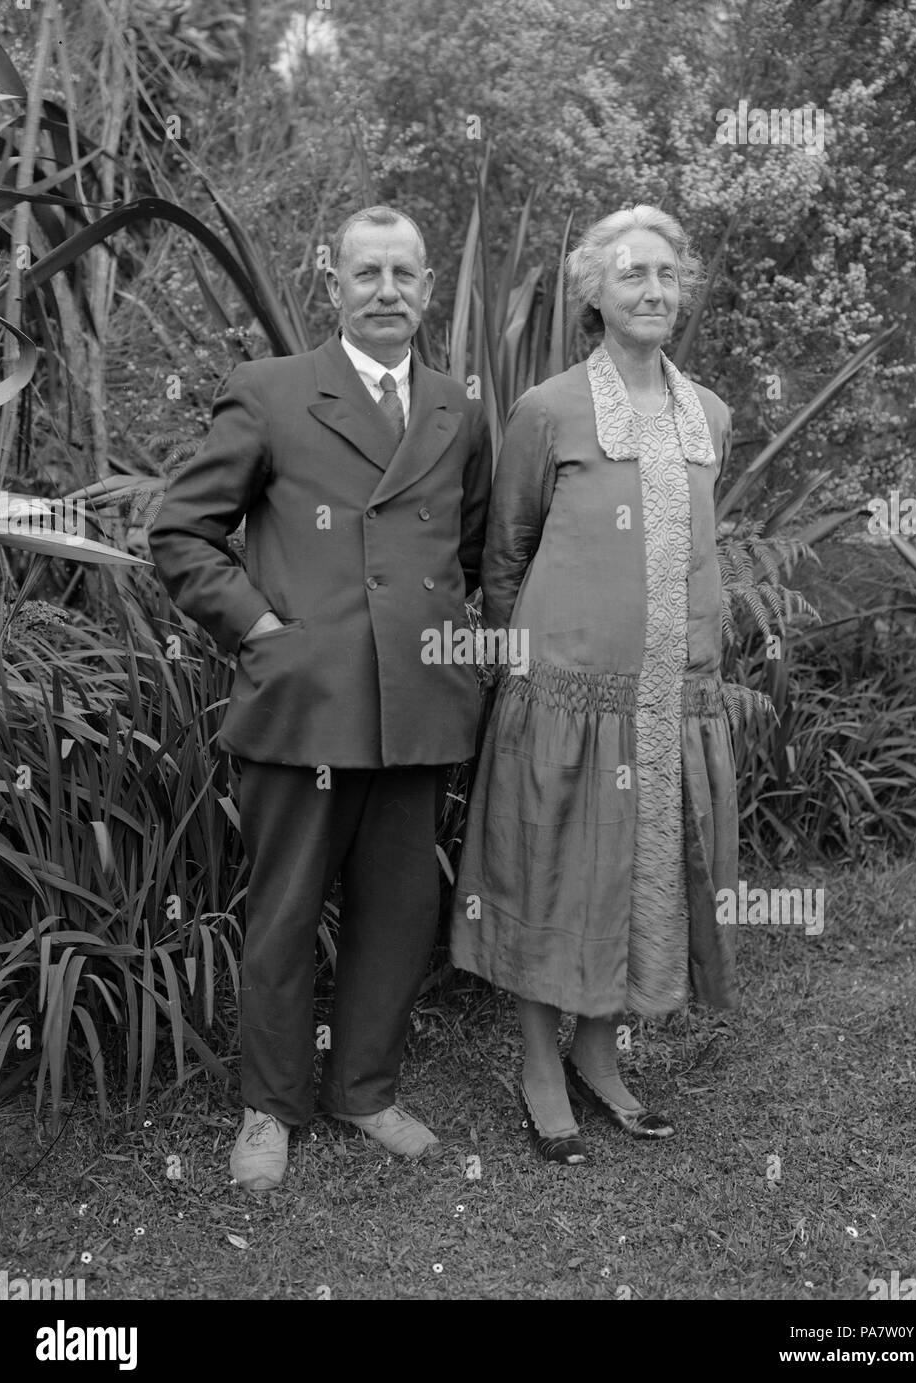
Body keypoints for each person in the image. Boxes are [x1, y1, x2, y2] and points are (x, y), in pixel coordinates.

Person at [150, 206, 492, 1190]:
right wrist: (262, 631)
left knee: (397, 908)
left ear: (428, 287)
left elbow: (465, 552)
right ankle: (270, 1107)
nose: (387, 290)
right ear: (331, 282)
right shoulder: (271, 392)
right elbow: (180, 532)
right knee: (288, 912)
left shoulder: (456, 408)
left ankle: (368, 1090)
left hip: (416, 704)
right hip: (307, 703)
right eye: (368, 272)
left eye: (405, 273)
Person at [451, 204, 738, 1165]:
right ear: (594, 292)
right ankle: (538, 1067)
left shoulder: (712, 417)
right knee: (550, 873)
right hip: (565, 700)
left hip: (671, 702)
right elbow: (506, 552)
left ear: (682, 289)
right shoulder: (550, 410)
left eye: (664, 274)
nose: (651, 291)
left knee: (632, 877)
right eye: (630, 275)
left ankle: (597, 1054)